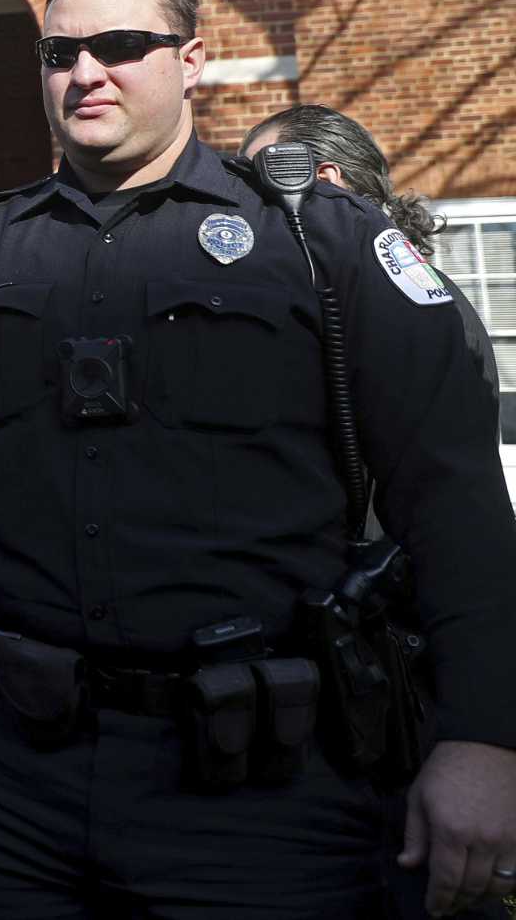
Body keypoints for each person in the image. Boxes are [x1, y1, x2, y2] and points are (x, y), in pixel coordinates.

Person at [0, 0, 516, 918]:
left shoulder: (318, 247)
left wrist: (483, 737)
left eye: (119, 45)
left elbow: (454, 504)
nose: (84, 71)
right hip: (8, 782)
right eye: (58, 51)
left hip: (255, 790)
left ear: (190, 60)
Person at [244, 104, 506, 920]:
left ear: (319, 182)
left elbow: (449, 514)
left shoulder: (403, 308)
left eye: (258, 181)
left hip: (394, 678)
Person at [244, 104, 500, 405]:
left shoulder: (401, 301)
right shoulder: (373, 288)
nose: (245, 205)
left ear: (324, 183)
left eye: (256, 186)